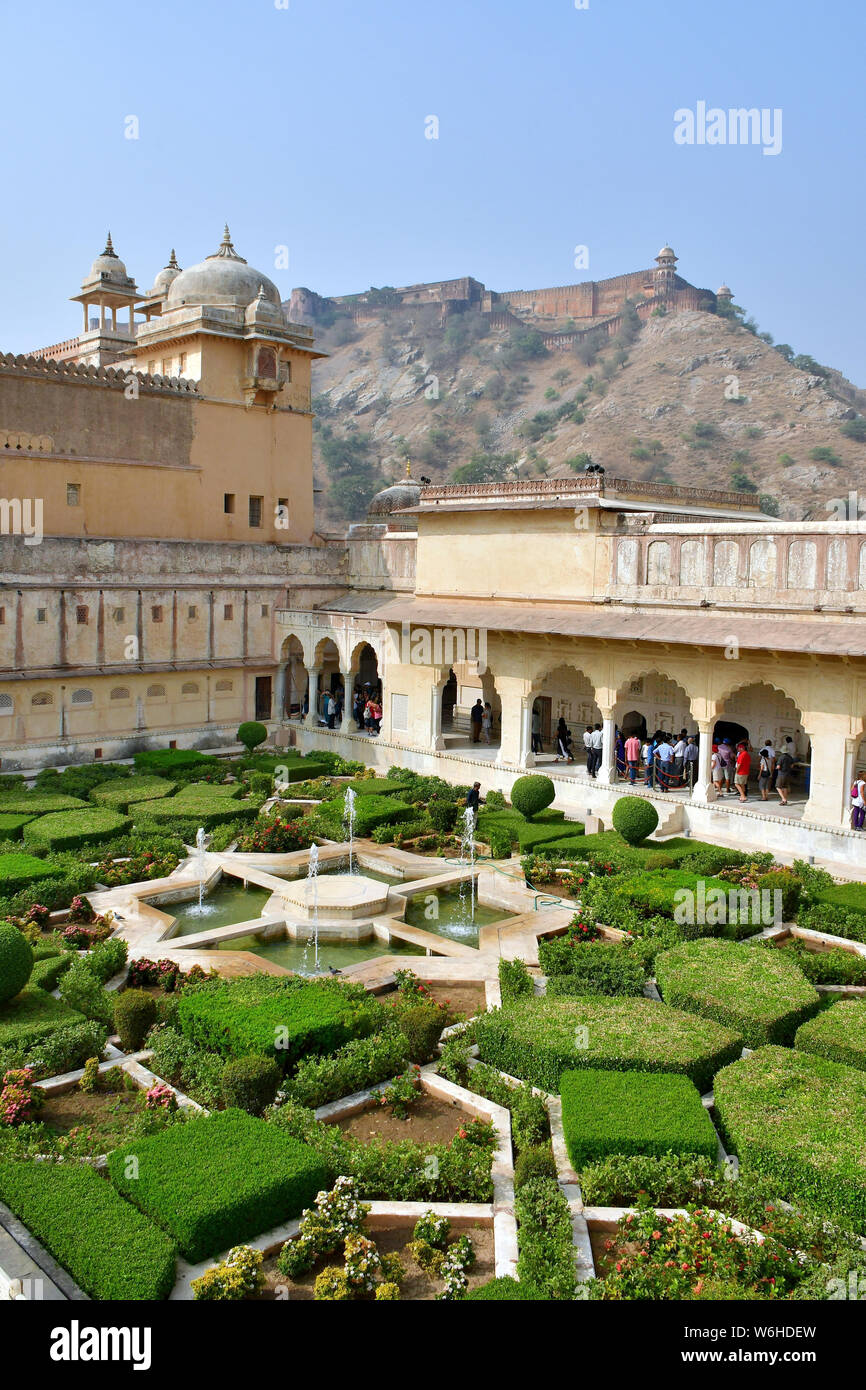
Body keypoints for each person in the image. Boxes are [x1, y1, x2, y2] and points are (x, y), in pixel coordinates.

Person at [775, 737, 795, 805]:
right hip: (788, 773)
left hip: (781, 774)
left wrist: (776, 768)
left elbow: (778, 766)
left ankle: (783, 799)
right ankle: (784, 800)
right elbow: (792, 765)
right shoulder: (790, 757)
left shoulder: (781, 757)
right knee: (785, 787)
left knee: (778, 787)